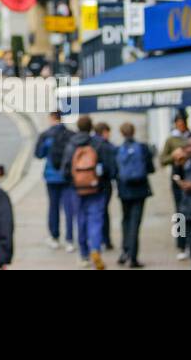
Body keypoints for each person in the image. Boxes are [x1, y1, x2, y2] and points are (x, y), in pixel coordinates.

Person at [62, 114, 116, 269]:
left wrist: (74, 181)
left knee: (80, 219)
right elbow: (108, 167)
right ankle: (96, 249)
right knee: (96, 219)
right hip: (96, 189)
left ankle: (84, 254)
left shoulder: (71, 145)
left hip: (76, 190)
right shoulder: (98, 143)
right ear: (91, 127)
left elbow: (65, 170)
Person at [34, 111, 75, 252]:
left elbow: (39, 154)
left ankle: (54, 237)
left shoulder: (46, 135)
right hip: (67, 176)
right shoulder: (70, 134)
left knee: (53, 207)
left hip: (51, 177)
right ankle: (69, 239)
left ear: (51, 118)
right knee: (69, 208)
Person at [115, 121, 154, 268]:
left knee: (125, 221)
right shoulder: (143, 148)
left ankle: (124, 251)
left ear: (122, 133)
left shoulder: (118, 149)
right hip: (140, 190)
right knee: (135, 223)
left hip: (124, 190)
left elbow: (115, 171)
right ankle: (133, 257)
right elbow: (150, 168)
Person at [160, 112, 191, 260]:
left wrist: (187, 154)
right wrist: (174, 156)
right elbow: (162, 159)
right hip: (177, 177)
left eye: (182, 122)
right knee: (180, 212)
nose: (180, 124)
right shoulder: (171, 139)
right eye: (178, 122)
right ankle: (181, 244)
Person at [94, 121, 115, 252]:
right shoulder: (107, 146)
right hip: (105, 183)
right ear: (104, 132)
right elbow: (111, 168)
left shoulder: (90, 143)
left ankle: (97, 239)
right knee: (104, 212)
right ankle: (105, 240)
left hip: (90, 182)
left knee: (96, 211)